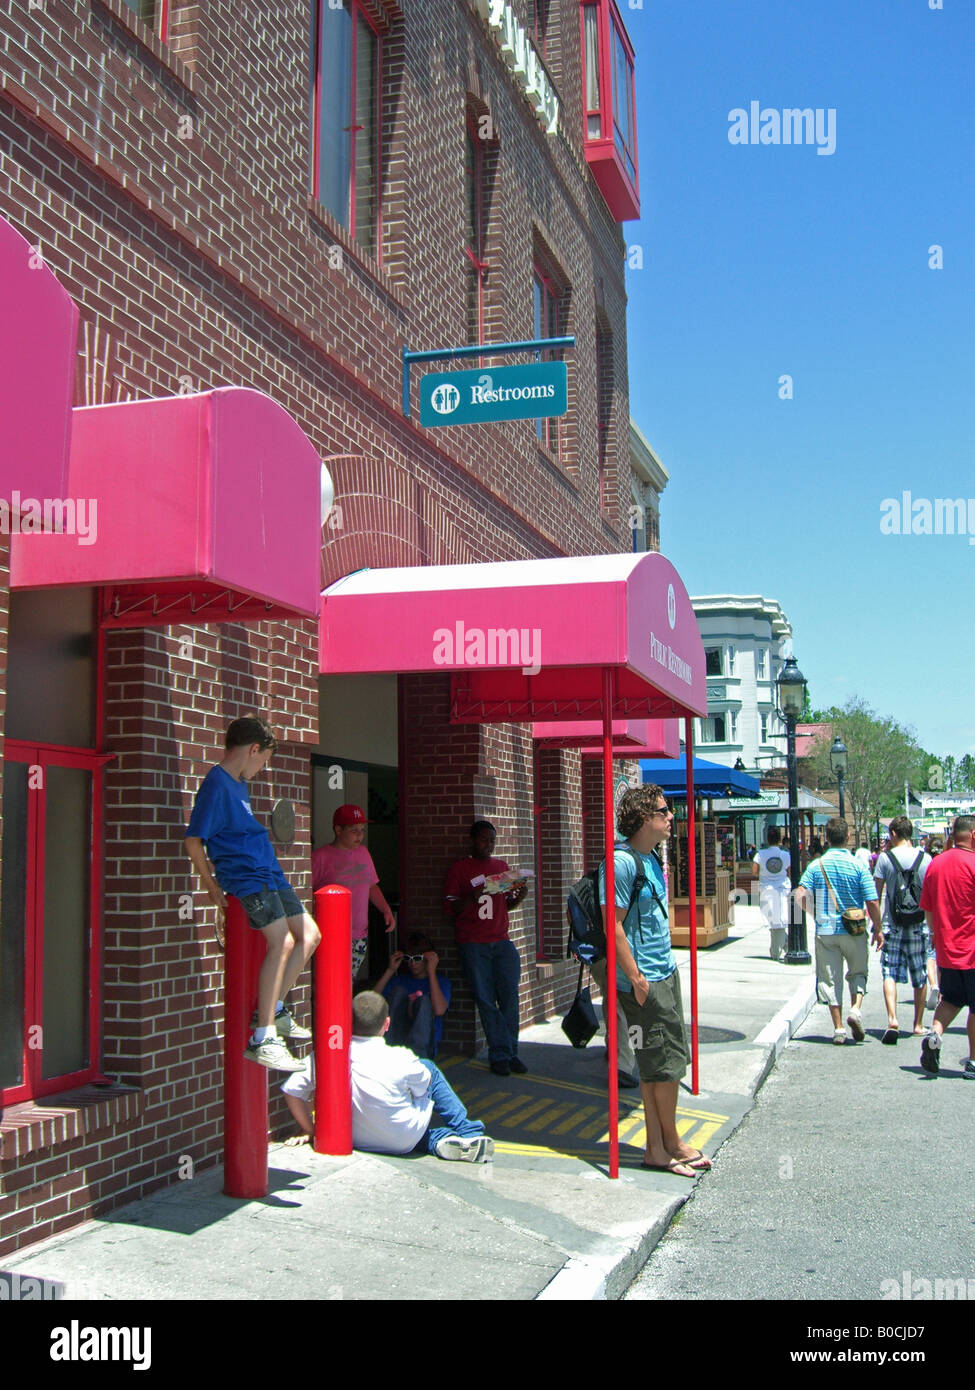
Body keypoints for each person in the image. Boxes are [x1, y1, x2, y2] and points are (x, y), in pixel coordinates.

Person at [185, 715, 319, 1071]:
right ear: (253, 749)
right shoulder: (215, 783)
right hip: (246, 878)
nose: (263, 768)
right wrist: (213, 889)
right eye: (264, 761)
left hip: (270, 872)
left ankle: (273, 1008)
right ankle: (263, 1037)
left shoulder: (238, 784)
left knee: (309, 936)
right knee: (283, 942)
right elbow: (193, 841)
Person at [599, 785, 711, 1179]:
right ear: (644, 817)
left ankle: (657, 1149)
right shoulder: (621, 863)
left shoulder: (649, 859)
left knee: (658, 1065)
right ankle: (673, 1142)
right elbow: (612, 926)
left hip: (664, 973)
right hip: (644, 981)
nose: (671, 817)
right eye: (664, 811)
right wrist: (636, 979)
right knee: (666, 1065)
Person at [281, 991, 494, 1159]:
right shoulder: (402, 1058)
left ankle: (439, 1142)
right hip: (405, 1139)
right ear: (387, 1024)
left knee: (398, 1122)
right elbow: (423, 1090)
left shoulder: (328, 1056)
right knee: (429, 1069)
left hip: (356, 1139)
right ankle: (467, 1131)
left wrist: (310, 1129)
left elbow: (292, 1091)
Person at [445, 820, 529, 1077]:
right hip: (473, 942)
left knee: (509, 997)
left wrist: (519, 895)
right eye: (483, 840)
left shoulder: (501, 867)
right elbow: (450, 908)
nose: (488, 845)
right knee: (485, 999)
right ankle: (500, 1054)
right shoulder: (460, 869)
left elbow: (505, 906)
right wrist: (473, 894)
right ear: (472, 840)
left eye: (492, 840)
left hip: (501, 940)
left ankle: (510, 1051)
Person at [794, 817, 883, 1045]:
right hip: (854, 929)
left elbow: (800, 894)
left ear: (826, 838)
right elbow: (872, 901)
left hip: (826, 931)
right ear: (848, 838)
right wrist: (878, 929)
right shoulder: (859, 866)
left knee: (830, 979)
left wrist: (814, 913)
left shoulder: (816, 865)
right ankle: (855, 1009)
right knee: (858, 972)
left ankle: (839, 1028)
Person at [918, 816, 975, 1078]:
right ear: (973, 834)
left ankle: (934, 1034)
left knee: (951, 998)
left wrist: (935, 934)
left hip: (946, 948)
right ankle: (973, 1061)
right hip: (972, 949)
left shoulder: (936, 864)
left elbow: (928, 907)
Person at [312, 804, 395, 982]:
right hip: (330, 935)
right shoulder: (320, 857)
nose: (359, 835)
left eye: (362, 830)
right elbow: (306, 894)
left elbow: (371, 885)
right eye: (353, 830)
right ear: (338, 830)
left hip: (359, 935)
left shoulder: (363, 853)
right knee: (329, 984)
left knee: (347, 983)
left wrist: (386, 909)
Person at [873, 816, 931, 1043]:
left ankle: (893, 1019)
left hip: (892, 923)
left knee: (889, 971)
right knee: (920, 972)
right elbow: (931, 894)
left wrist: (877, 927)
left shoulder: (885, 859)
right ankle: (917, 1024)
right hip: (919, 922)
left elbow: (875, 895)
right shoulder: (925, 858)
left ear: (894, 834)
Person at [374, 932, 451, 1057]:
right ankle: (389, 1050)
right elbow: (371, 1003)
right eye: (408, 959)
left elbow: (439, 1011)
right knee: (398, 992)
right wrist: (390, 970)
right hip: (398, 1042)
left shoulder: (440, 981)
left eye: (417, 958)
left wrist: (431, 972)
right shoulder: (399, 980)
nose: (412, 963)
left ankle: (418, 1059)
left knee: (423, 1001)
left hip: (423, 1046)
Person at [752, 826, 791, 962]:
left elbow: (754, 872)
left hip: (766, 889)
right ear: (779, 839)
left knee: (774, 921)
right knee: (779, 920)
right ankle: (786, 945)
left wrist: (766, 874)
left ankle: (777, 950)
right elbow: (790, 872)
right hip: (782, 889)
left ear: (767, 839)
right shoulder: (786, 855)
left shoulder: (760, 854)